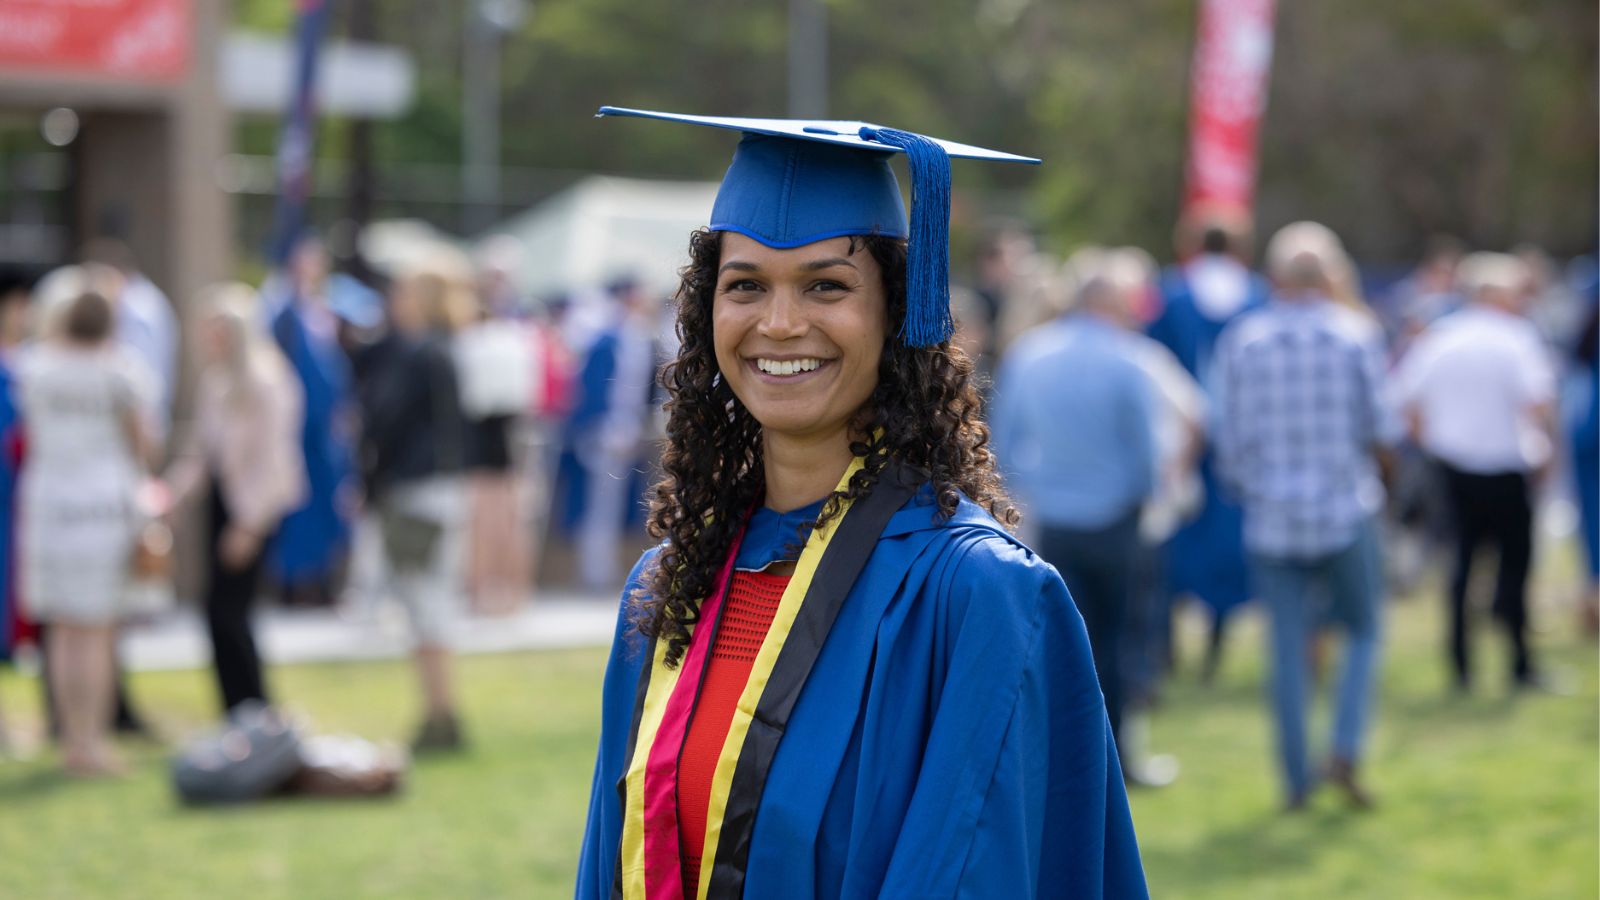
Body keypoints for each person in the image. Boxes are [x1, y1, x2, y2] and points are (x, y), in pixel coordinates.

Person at [576, 108, 1145, 899]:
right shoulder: (666, 588)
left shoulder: (979, 597)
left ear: (899, 311)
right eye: (746, 286)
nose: (780, 322)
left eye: (826, 286)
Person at [1213, 222, 1396, 811]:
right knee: (1362, 630)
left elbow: (1228, 439)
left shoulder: (1244, 340)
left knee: (1287, 649)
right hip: (1346, 509)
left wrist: (1253, 487)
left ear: (1275, 276)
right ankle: (1344, 743)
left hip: (1272, 516)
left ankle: (1296, 780)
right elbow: (1383, 426)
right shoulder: (1356, 334)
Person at [990, 258, 1156, 782]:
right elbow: (1145, 451)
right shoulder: (1128, 357)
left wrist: (1033, 492)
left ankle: (1058, 760)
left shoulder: (1030, 353)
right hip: (1114, 519)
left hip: (1053, 520)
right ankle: (1116, 757)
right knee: (1115, 642)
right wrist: (1140, 498)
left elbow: (1004, 442)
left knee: (1059, 644)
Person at [1392, 252, 1558, 692]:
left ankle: (1461, 667)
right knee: (1513, 569)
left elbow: (1408, 405)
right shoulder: (1517, 337)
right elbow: (1539, 404)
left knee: (1459, 568)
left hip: (1452, 469)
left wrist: (1435, 445)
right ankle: (1519, 664)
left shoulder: (1439, 338)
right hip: (1506, 468)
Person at [16, 267, 158, 775]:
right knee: (97, 631)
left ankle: (69, 738)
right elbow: (143, 445)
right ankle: (92, 742)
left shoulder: (35, 367)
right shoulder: (122, 371)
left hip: (48, 508)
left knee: (62, 630)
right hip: (101, 510)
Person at [161, 285, 306, 714]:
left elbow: (275, 460)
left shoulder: (267, 379)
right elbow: (202, 451)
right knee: (216, 611)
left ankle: (255, 706)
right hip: (224, 501)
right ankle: (234, 708)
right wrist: (172, 495)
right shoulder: (217, 382)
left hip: (256, 508)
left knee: (232, 610)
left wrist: (249, 525)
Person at [1147, 210, 1270, 681]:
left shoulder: (1171, 293)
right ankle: (1215, 645)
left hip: (1182, 437)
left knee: (1174, 533)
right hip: (1239, 438)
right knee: (1227, 537)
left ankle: (1167, 644)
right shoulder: (1256, 295)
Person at [357, 258, 473, 751]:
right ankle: (438, 713)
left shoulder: (419, 351)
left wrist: (366, 482)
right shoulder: (446, 348)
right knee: (429, 605)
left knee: (426, 606)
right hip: (441, 489)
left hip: (416, 492)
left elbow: (387, 421)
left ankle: (440, 716)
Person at [265, 235, 359, 608]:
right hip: (299, 429)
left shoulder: (326, 307)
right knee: (298, 507)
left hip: (326, 433)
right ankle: (295, 584)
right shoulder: (282, 310)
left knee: (329, 506)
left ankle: (321, 580)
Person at [566, 276, 661, 591]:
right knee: (598, 503)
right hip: (604, 430)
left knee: (616, 503)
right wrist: (602, 426)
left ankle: (604, 566)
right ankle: (594, 568)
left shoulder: (639, 337)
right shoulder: (605, 339)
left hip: (629, 429)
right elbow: (593, 388)